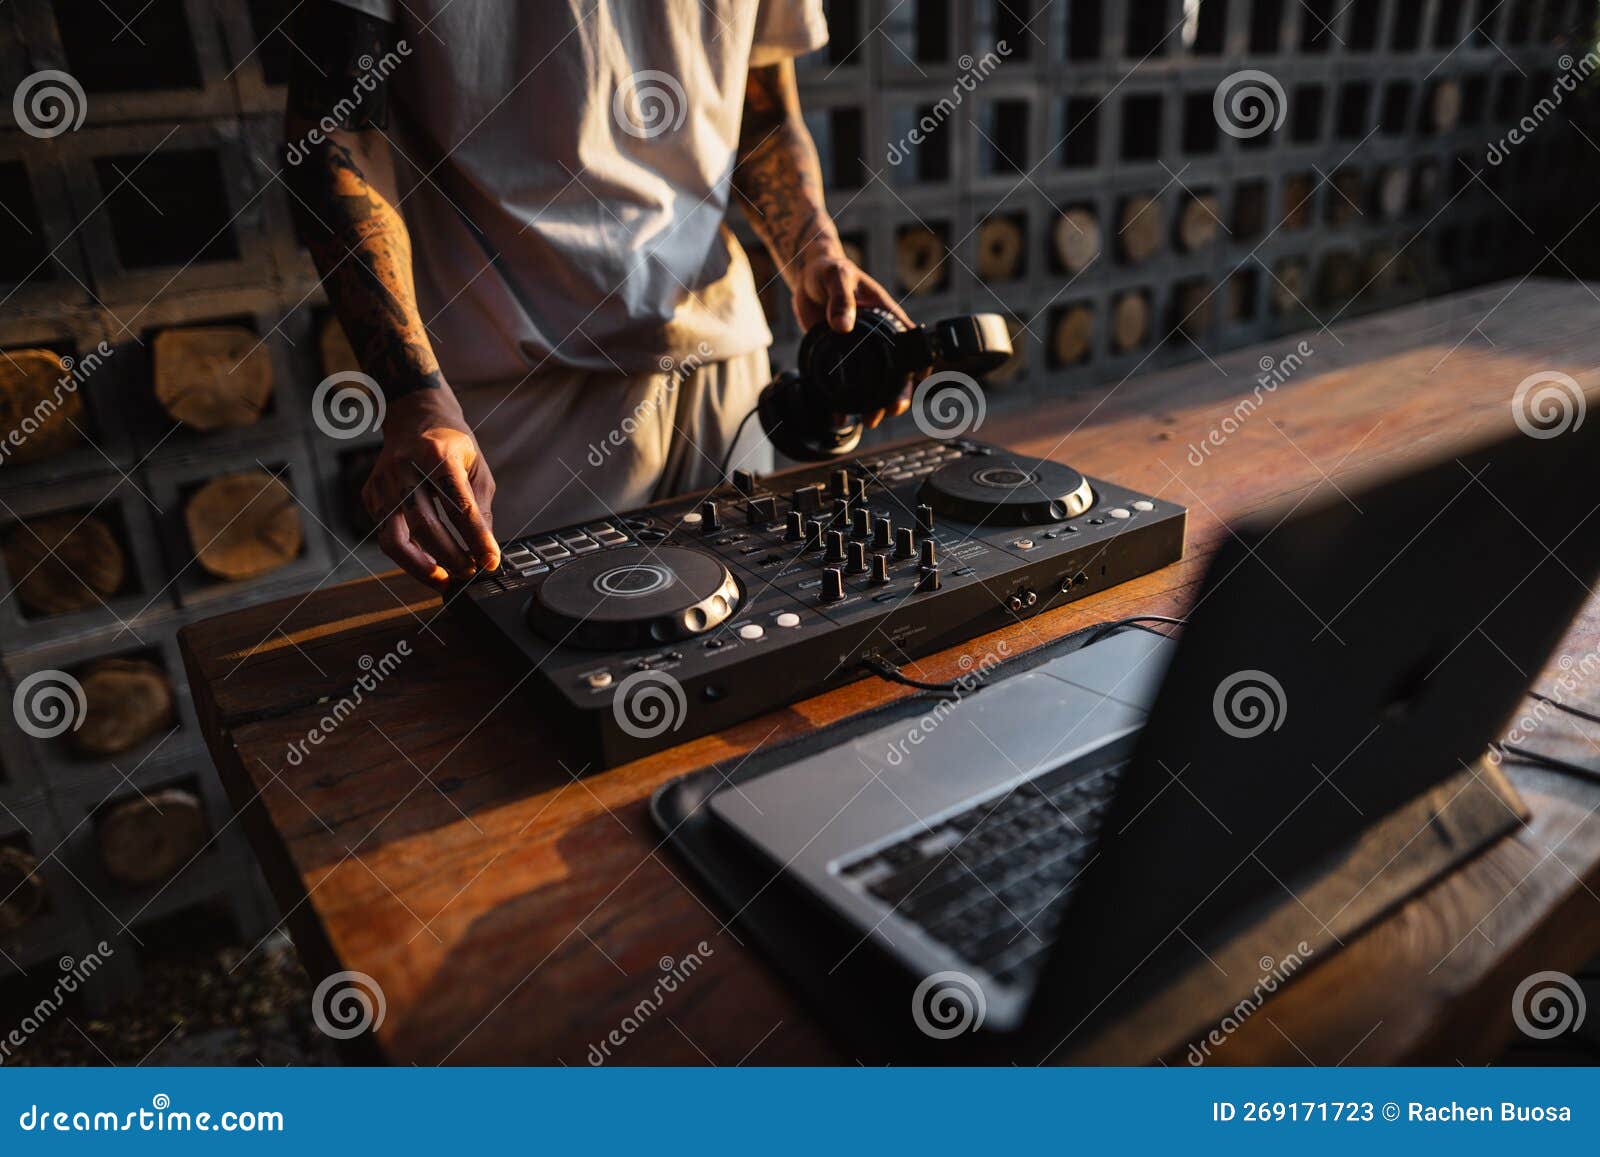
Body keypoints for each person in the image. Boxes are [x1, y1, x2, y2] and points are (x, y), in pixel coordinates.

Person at [283, 0, 913, 588]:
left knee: (763, 644)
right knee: (552, 680)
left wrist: (814, 249)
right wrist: (414, 396)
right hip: (520, 382)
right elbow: (335, 132)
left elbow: (764, 107)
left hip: (724, 359)